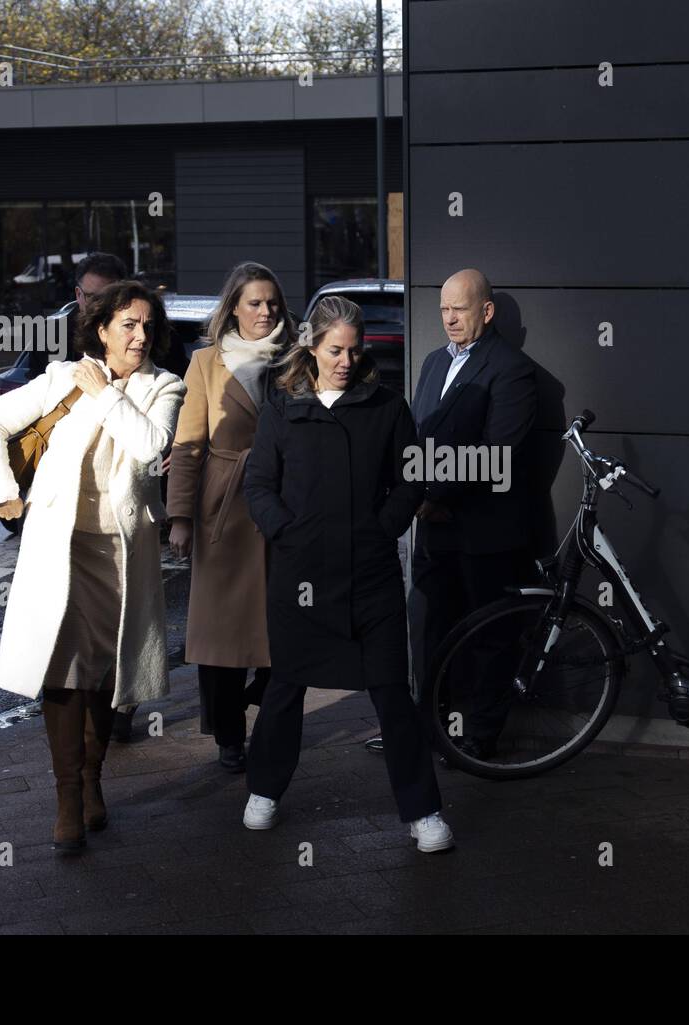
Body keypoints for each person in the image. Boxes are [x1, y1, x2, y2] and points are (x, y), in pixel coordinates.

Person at [0, 280, 185, 853]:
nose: (139, 335)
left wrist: (106, 392)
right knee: (62, 676)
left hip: (120, 555)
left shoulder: (165, 385)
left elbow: (147, 446)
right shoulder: (62, 378)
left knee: (104, 679)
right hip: (59, 552)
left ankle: (92, 782)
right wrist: (2, 494)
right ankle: (68, 798)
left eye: (146, 325)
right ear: (102, 330)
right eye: (127, 325)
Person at [241, 296, 454, 853]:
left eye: (354, 350)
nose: (345, 360)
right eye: (335, 349)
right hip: (301, 575)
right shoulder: (283, 407)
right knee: (286, 687)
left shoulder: (385, 405)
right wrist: (286, 531)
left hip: (371, 576)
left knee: (391, 693)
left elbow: (412, 479)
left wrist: (383, 527)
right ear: (311, 347)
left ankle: (424, 811)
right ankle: (263, 790)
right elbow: (258, 484)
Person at [366, 268, 537, 759]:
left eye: (459, 309)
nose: (449, 319)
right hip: (433, 527)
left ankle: (478, 737)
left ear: (486, 311)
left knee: (488, 637)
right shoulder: (434, 363)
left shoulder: (513, 370)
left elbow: (497, 454)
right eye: (443, 309)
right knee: (429, 629)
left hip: (485, 532)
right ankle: (427, 726)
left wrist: (434, 495)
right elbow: (418, 438)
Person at [167, 262, 296, 771]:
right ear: (233, 309)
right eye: (254, 303)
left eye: (271, 303)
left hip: (283, 506)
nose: (265, 312)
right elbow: (188, 444)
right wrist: (180, 517)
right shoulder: (204, 363)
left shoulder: (298, 360)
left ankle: (265, 705)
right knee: (221, 636)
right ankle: (228, 736)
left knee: (285, 626)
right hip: (223, 508)